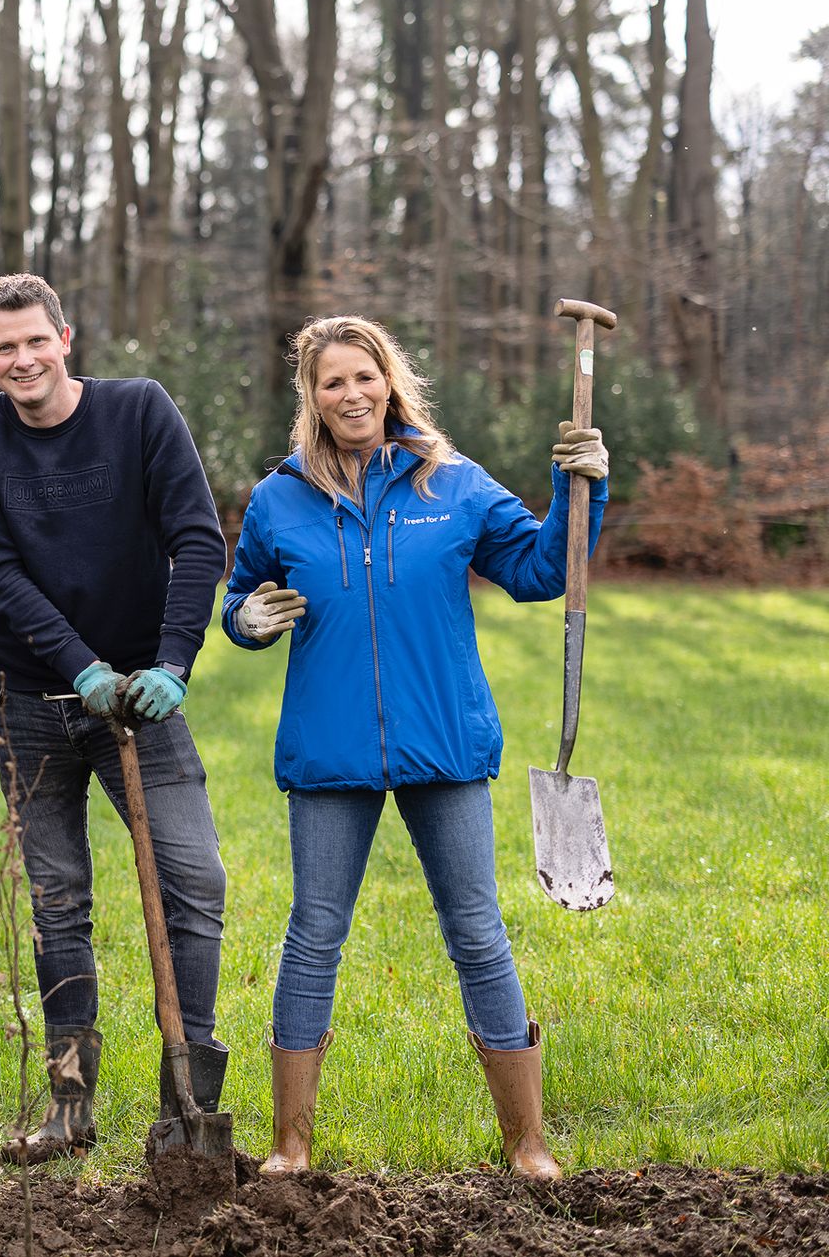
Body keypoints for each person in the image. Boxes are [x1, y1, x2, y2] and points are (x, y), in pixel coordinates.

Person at [222, 314, 610, 1182]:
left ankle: (528, 1143)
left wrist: (580, 486)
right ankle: (291, 1146)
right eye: (333, 382)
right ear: (312, 398)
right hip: (330, 752)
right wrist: (244, 619)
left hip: (445, 745)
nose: (352, 394)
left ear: (390, 380)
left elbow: (542, 570)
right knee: (313, 934)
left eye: (365, 376)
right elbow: (242, 596)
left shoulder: (455, 482)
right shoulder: (280, 495)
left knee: (477, 933)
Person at [0, 273, 231, 1165]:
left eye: (36, 341)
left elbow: (197, 539)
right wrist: (81, 667)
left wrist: (170, 666)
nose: (22, 360)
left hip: (143, 703)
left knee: (196, 881)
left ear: (65, 338)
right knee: (59, 901)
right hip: (30, 702)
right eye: (4, 347)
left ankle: (188, 1103)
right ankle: (70, 1104)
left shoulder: (139, 411)